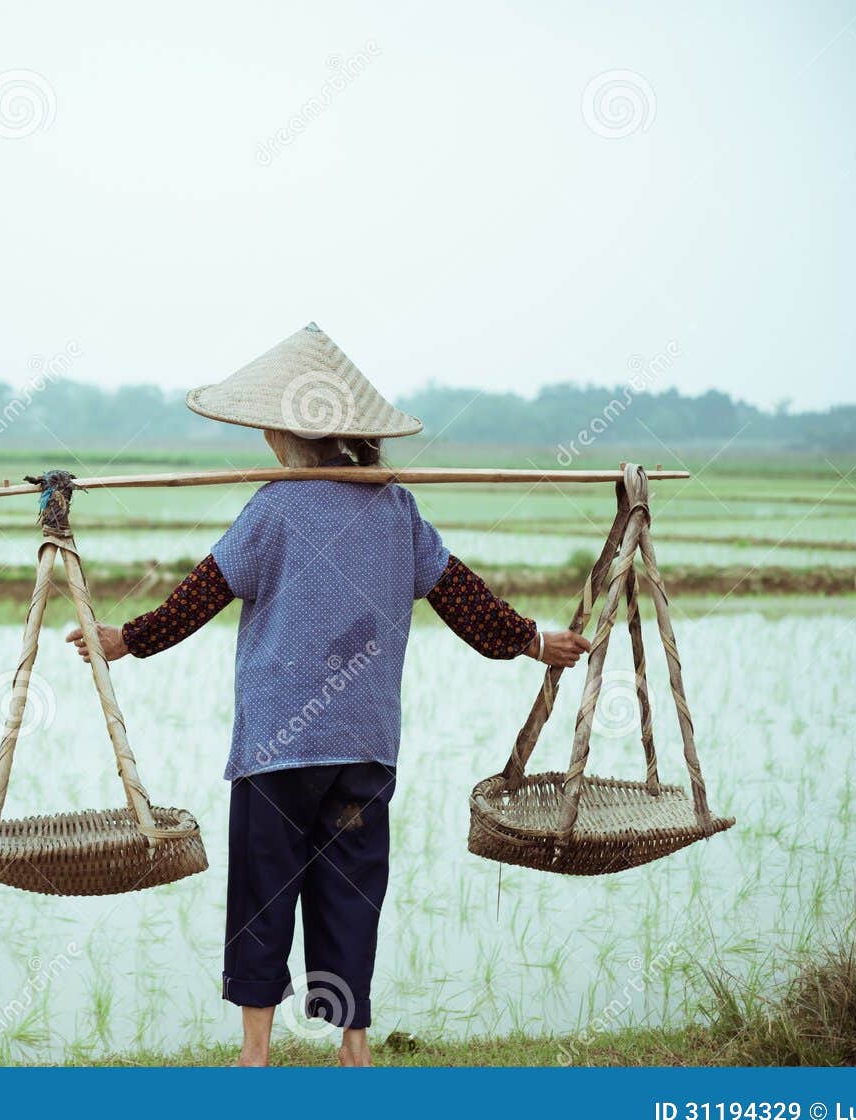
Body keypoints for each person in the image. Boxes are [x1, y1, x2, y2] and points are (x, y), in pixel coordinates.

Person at [66, 325, 589, 1067]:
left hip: (278, 751)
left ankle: (255, 1055)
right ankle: (354, 1045)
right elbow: (467, 602)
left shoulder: (273, 509)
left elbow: (199, 595)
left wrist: (128, 640)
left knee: (263, 893)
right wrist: (535, 640)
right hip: (363, 749)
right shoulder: (397, 510)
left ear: (282, 435)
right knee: (350, 890)